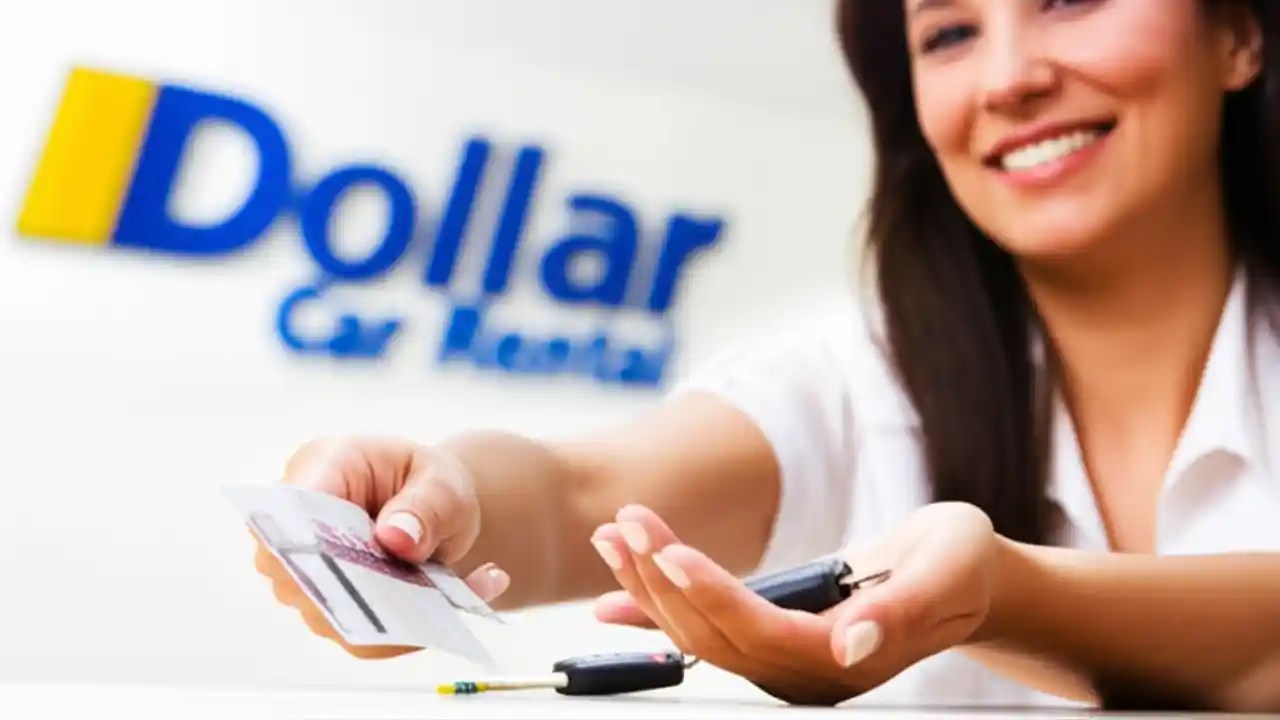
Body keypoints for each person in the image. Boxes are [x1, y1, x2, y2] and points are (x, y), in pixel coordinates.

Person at [252, 0, 1280, 711]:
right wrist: (441, 497)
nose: (1009, 78)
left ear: (1237, 34)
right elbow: (581, 490)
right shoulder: (857, 370)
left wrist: (1007, 600)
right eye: (950, 34)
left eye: (1071, 1)